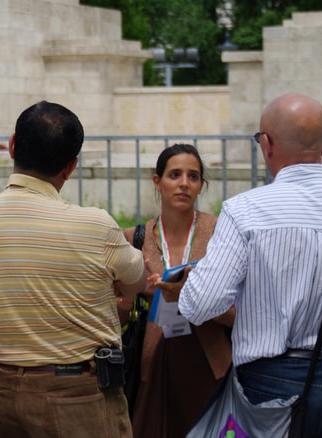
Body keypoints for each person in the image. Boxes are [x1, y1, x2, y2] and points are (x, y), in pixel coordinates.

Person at [164, 93, 322, 436]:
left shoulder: (245, 210)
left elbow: (198, 305)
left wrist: (196, 280)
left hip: (270, 380)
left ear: (266, 144)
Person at [0, 101, 145, 437]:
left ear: (13, 144)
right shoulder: (95, 225)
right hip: (77, 396)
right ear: (71, 166)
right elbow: (136, 282)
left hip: (0, 392)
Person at [125, 144, 232, 438]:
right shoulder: (135, 239)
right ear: (157, 180)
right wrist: (137, 291)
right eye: (175, 174)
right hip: (154, 366)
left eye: (193, 176)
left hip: (210, 364)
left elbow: (242, 312)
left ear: (201, 185)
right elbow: (117, 310)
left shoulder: (221, 234)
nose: (184, 183)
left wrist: (191, 297)